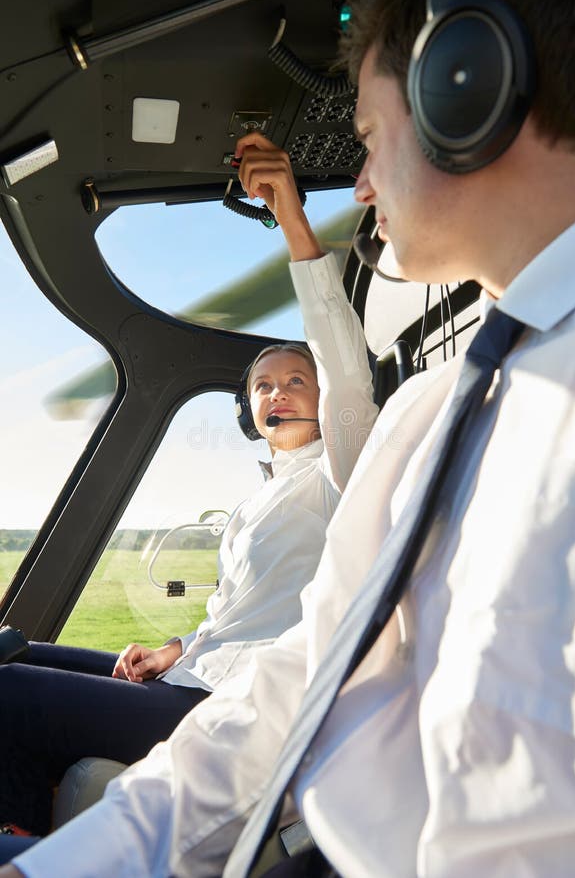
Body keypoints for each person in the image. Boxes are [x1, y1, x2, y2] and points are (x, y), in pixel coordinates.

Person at [3, 0, 575, 874]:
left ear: (465, 89)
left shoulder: (378, 441)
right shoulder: (435, 417)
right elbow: (301, 671)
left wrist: (291, 222)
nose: (356, 184)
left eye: (364, 139)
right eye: (263, 389)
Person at [0, 137, 377, 839]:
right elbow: (252, 615)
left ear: (327, 400)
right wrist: (180, 644)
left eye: (297, 379)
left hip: (233, 713)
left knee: (6, 693)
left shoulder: (343, 470)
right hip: (197, 675)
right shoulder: (264, 494)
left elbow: (345, 362)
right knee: (12, 648)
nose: (277, 392)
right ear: (248, 413)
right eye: (262, 385)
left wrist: (291, 217)